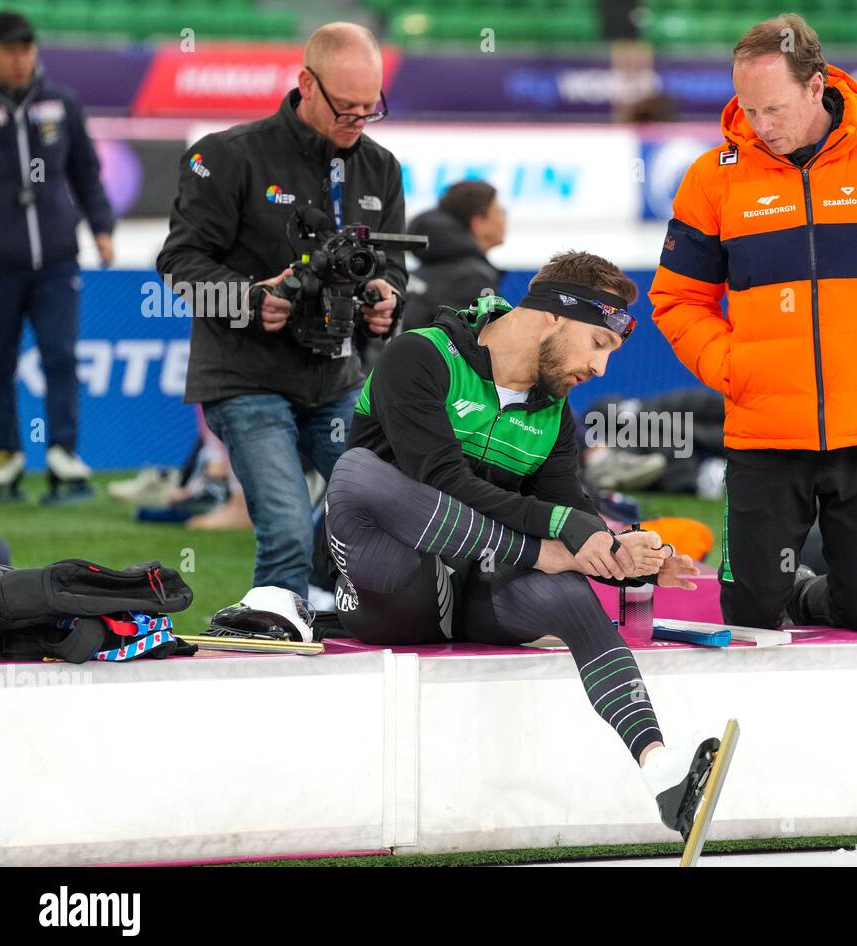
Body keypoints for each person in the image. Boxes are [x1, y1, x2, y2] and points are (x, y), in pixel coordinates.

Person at [324, 250, 720, 836]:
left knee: (564, 589)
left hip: (473, 595)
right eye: (599, 345)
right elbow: (443, 481)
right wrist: (555, 539)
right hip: (391, 590)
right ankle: (537, 561)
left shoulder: (554, 413)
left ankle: (660, 772)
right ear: (554, 316)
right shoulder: (421, 355)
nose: (601, 369)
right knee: (357, 471)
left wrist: (628, 555)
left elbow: (573, 511)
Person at [649, 13, 857, 633]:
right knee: (749, 614)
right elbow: (677, 300)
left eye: (773, 108)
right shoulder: (711, 178)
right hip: (765, 433)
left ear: (816, 86)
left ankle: (813, 605)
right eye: (748, 110)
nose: (762, 125)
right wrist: (734, 368)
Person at [156, 22, 406, 598]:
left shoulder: (382, 167)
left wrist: (387, 301)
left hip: (338, 377)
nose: (358, 123)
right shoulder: (227, 156)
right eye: (347, 109)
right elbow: (178, 261)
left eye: (371, 109)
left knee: (386, 504)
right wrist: (249, 299)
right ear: (306, 85)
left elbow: (392, 266)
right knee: (288, 528)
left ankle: (320, 606)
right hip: (246, 378)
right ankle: (273, 643)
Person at [0, 10, 114, 503]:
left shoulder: (61, 103)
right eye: (10, 49)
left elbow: (85, 171)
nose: (22, 59)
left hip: (59, 259)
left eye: (28, 48)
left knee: (60, 355)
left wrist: (101, 227)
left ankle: (63, 453)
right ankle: (8, 456)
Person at [400, 179, 505, 331]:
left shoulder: (428, 269)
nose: (504, 220)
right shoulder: (473, 279)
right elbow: (473, 346)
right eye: (499, 212)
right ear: (479, 223)